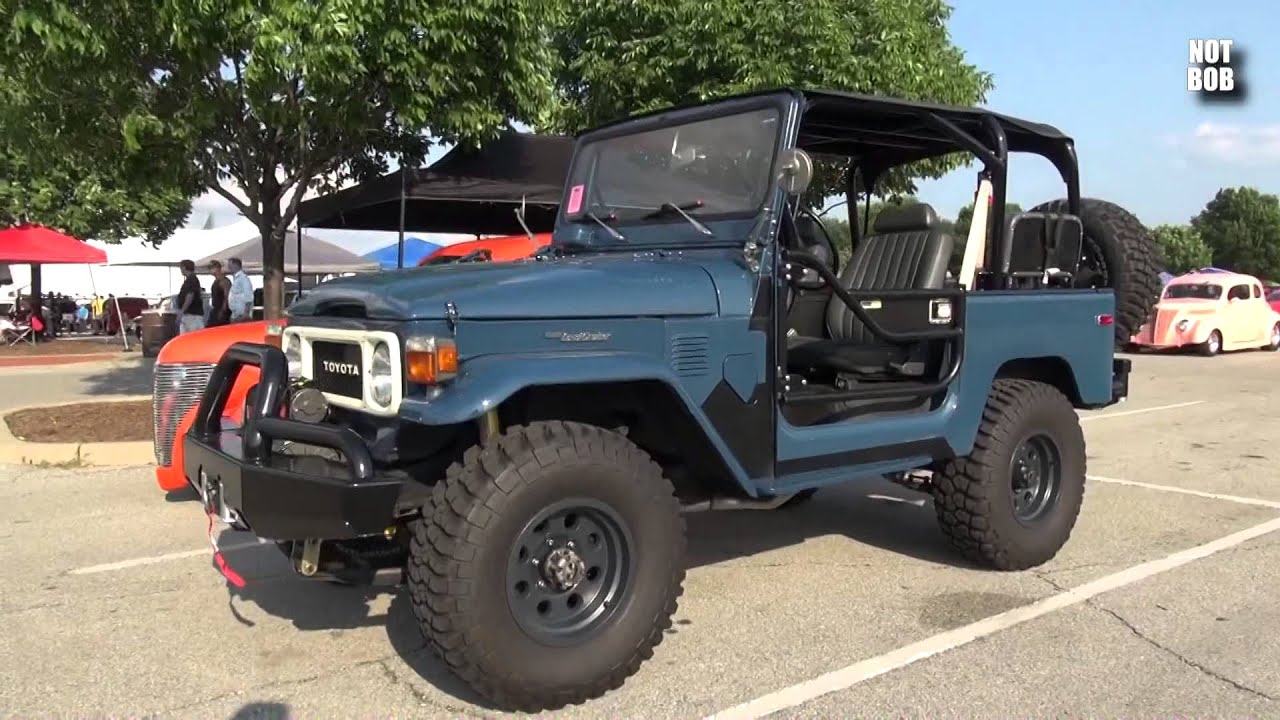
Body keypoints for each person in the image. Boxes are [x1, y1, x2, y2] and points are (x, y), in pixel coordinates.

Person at [177, 259, 205, 334]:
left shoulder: (192, 279)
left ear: (184, 267)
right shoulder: (190, 279)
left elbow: (190, 295)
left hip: (192, 315)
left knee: (192, 337)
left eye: (181, 268)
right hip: (190, 314)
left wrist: (182, 311)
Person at [226, 256, 254, 322]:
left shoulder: (243, 278)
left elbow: (248, 296)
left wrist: (246, 313)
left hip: (241, 314)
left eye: (230, 265)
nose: (228, 267)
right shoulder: (236, 279)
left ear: (235, 265)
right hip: (236, 314)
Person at [206, 260, 232, 327]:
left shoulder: (224, 281)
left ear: (218, 268)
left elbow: (227, 297)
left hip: (222, 311)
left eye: (212, 267)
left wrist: (222, 311)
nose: (210, 270)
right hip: (215, 308)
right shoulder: (216, 281)